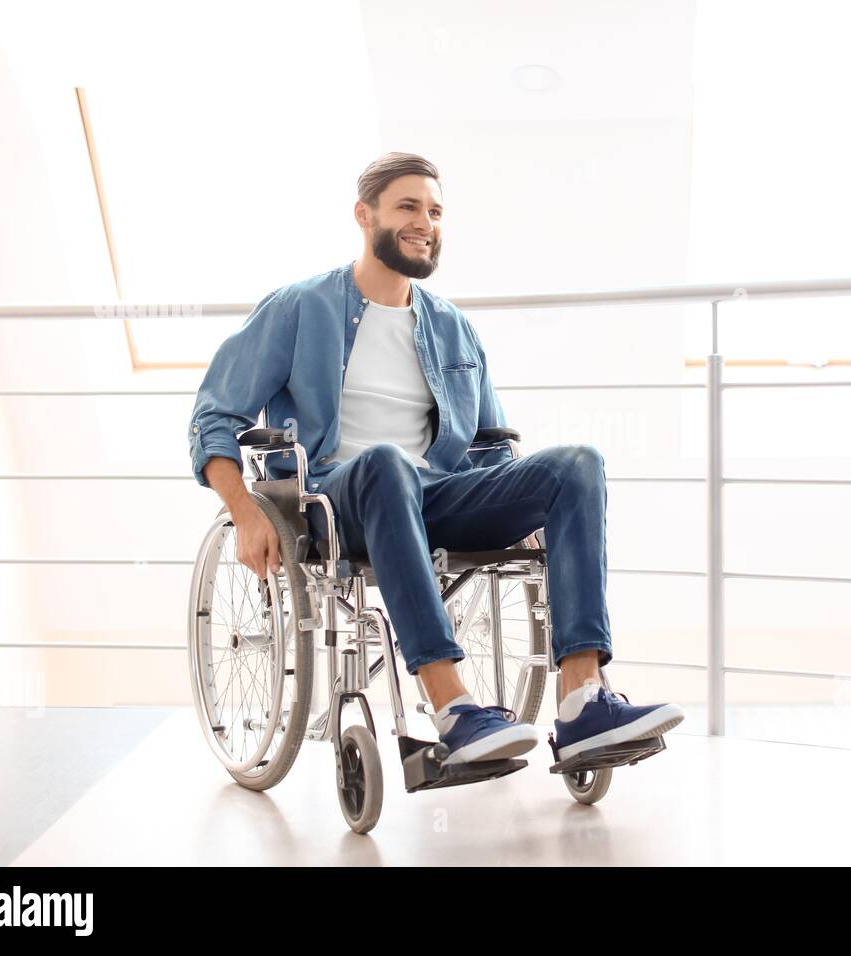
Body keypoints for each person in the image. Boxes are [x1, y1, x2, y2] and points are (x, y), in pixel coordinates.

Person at [188, 152, 683, 766]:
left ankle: (583, 700)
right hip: (338, 499)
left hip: (436, 495)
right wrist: (244, 511)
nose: (425, 221)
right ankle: (453, 709)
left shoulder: (451, 327)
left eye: (435, 210)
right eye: (408, 207)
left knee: (577, 463)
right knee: (388, 463)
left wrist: (522, 505)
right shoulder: (298, 308)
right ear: (363, 215)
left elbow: (490, 445)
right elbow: (214, 416)